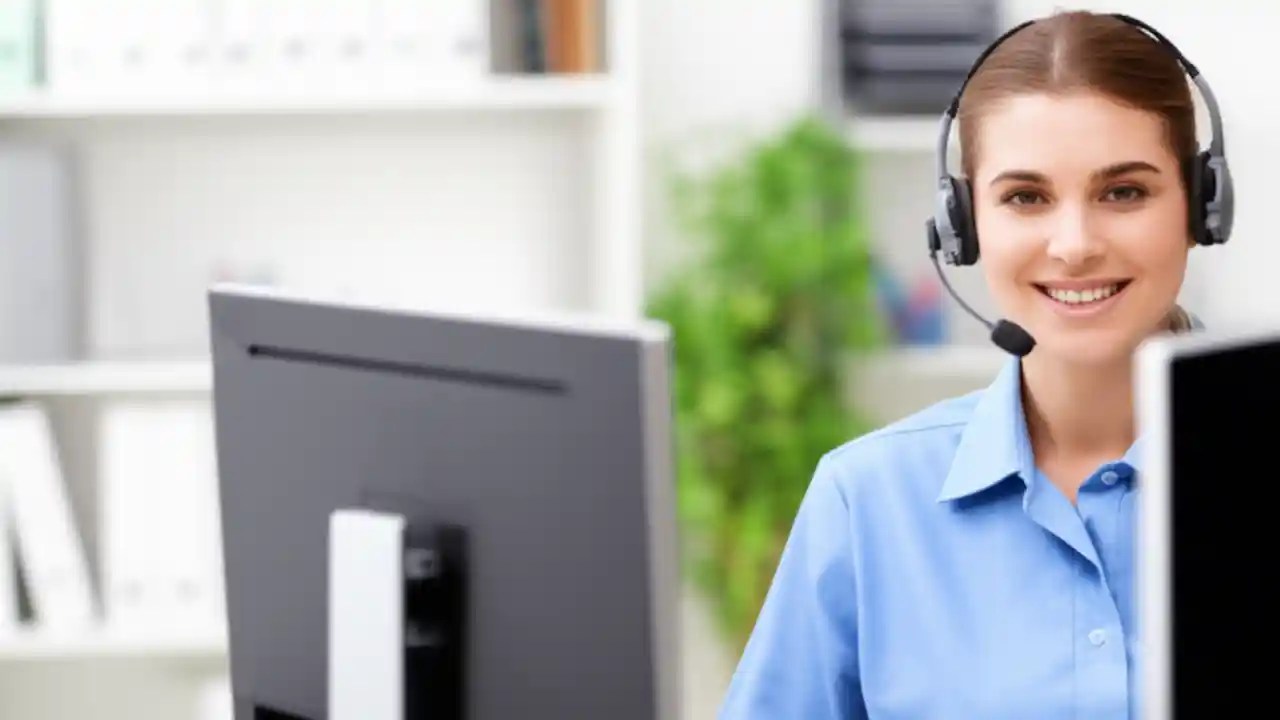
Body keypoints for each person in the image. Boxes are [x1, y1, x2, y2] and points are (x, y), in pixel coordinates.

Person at [718, 10, 1225, 719]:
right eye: (1026, 197)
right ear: (963, 227)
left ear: (1202, 209)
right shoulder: (866, 502)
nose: (1074, 244)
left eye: (1123, 192)